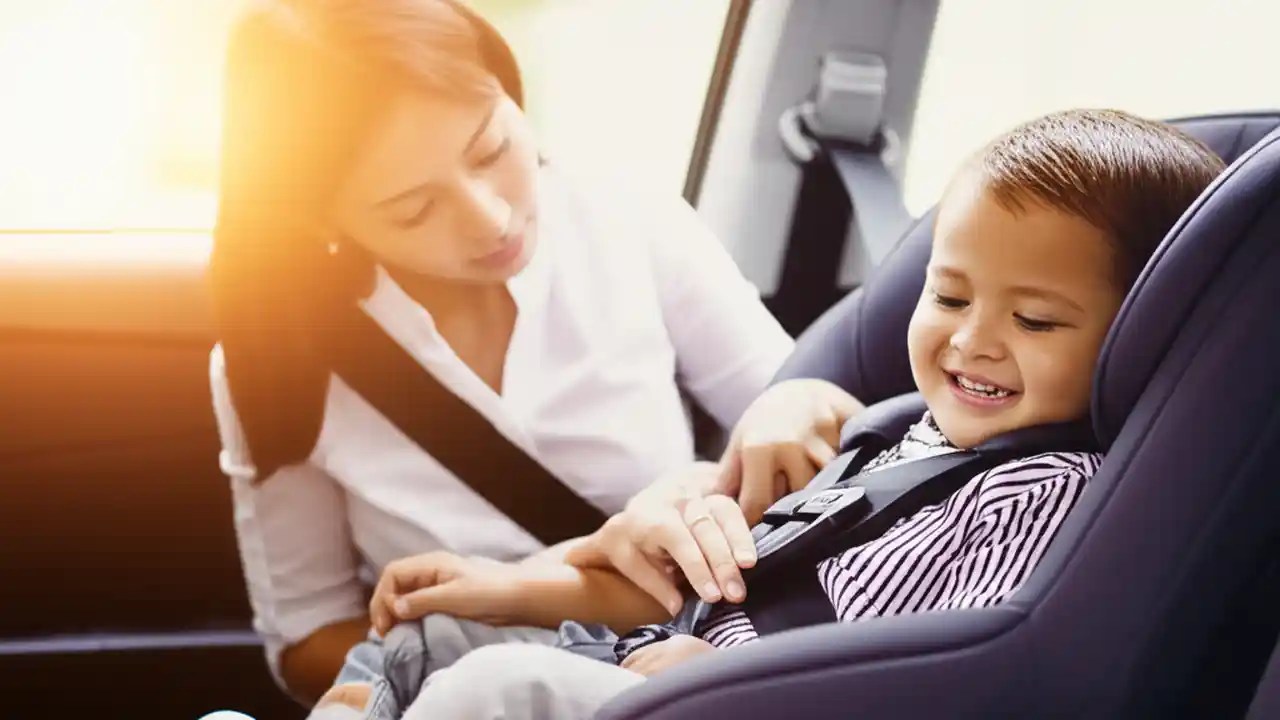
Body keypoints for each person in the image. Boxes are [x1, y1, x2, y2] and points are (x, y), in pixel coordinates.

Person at [307, 109, 1226, 719]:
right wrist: (497, 585)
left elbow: (940, 676)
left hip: (752, 700)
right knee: (432, 637)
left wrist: (724, 681)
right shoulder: (893, 434)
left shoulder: (1048, 488)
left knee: (495, 688)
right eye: (947, 297)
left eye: (1033, 320)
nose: (971, 342)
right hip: (668, 650)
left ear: (1136, 333)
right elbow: (716, 582)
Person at [207, 0, 834, 704]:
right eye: (413, 209)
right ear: (323, 218)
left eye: (491, 149)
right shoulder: (282, 358)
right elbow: (305, 640)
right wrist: (502, 614)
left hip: (680, 657)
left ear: (508, 86)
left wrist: (793, 404)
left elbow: (806, 437)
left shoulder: (628, 222)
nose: (491, 218)